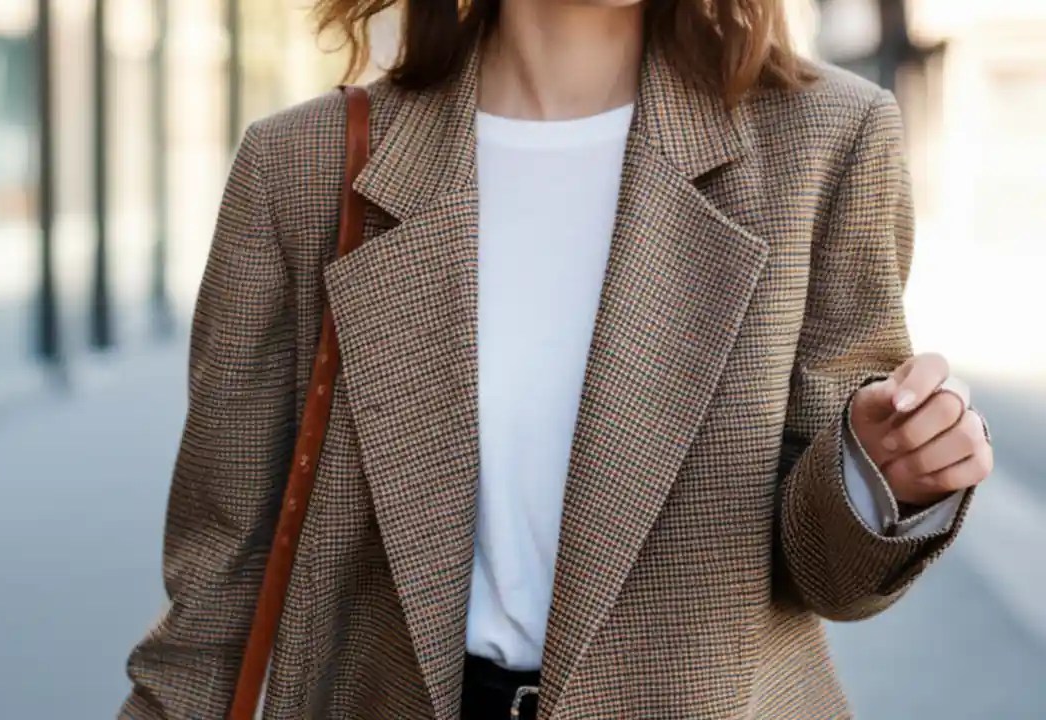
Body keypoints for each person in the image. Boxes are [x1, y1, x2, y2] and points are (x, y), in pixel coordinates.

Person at [119, 0, 995, 717]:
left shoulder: (826, 142)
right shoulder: (301, 167)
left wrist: (881, 478)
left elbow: (826, 576)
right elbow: (219, 582)